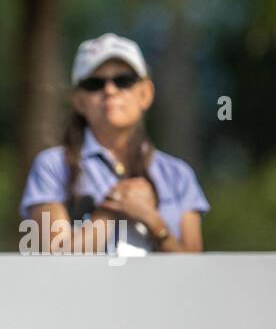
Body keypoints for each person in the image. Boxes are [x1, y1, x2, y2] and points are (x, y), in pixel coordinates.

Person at [20, 33, 209, 255]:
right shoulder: (52, 166)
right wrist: (113, 208)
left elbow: (193, 270)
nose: (110, 90)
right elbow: (54, 258)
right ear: (78, 101)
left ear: (145, 94)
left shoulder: (179, 174)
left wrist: (151, 220)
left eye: (124, 80)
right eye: (94, 84)